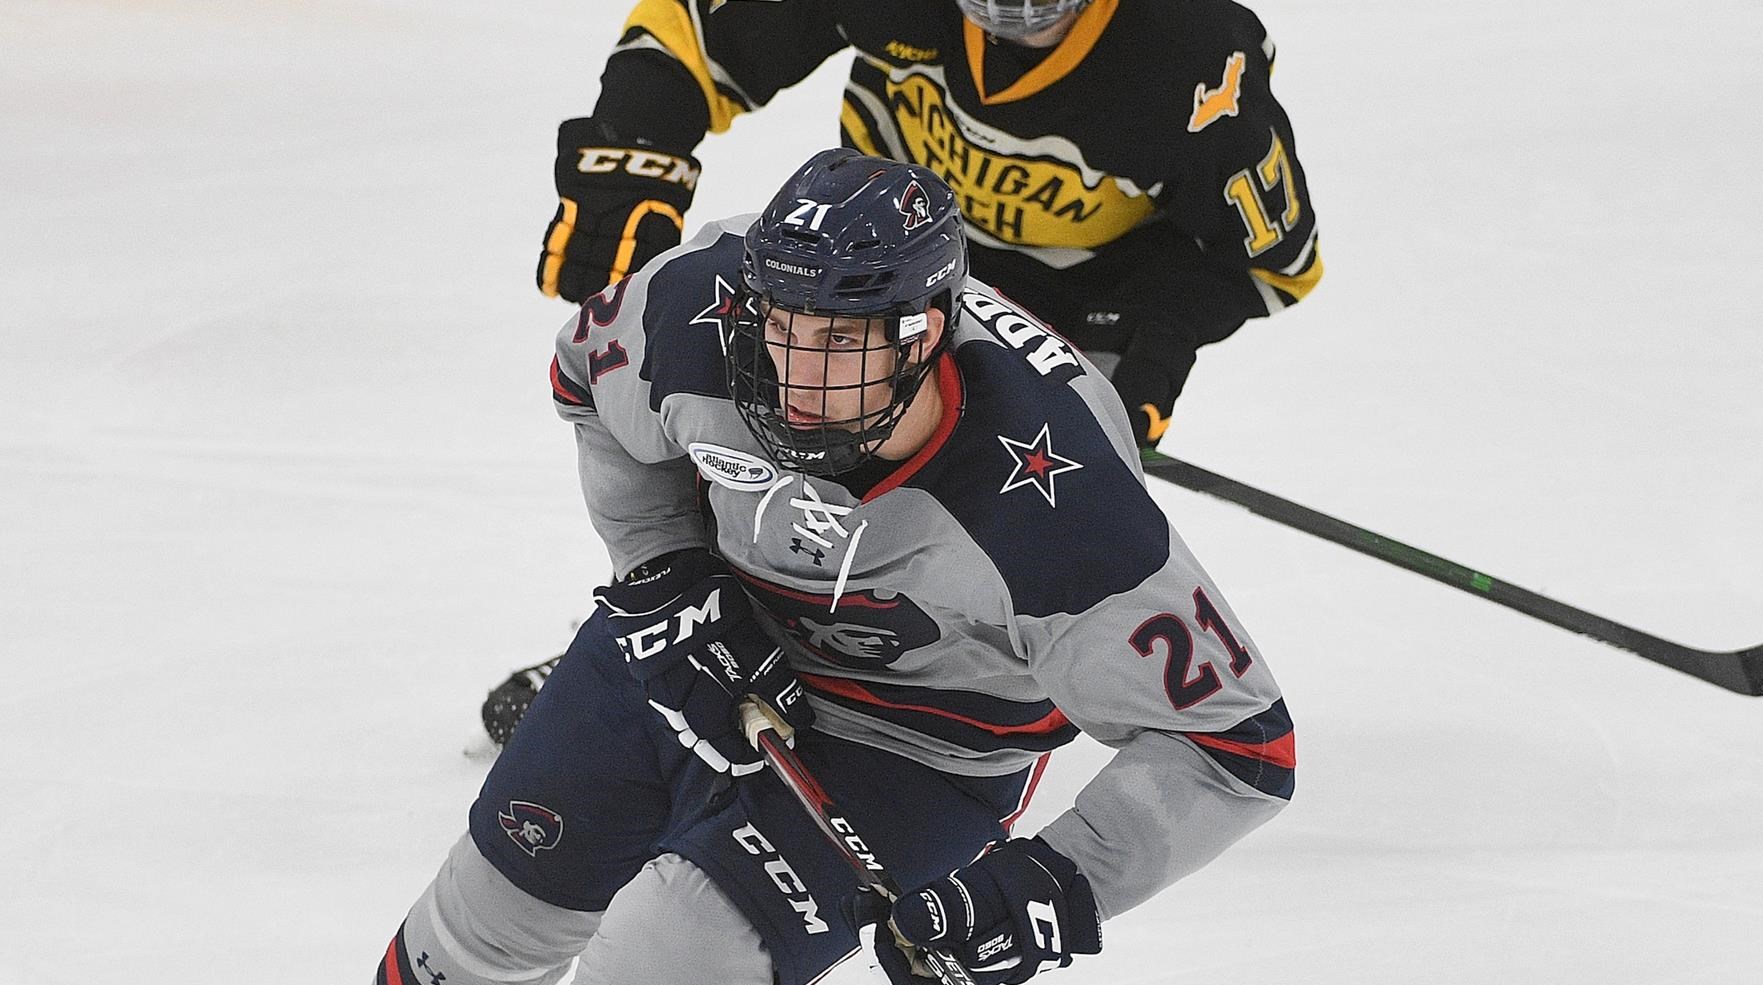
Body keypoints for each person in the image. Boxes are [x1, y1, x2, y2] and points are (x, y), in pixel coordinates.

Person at [164, 151, 1296, 985]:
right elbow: (586, 386)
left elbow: (1234, 746)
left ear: (930, 330)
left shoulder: (1065, 507)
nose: (798, 375)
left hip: (916, 745)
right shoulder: (698, 307)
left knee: (669, 956)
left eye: (843, 341)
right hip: (705, 631)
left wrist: (1053, 882)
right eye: (784, 329)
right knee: (498, 897)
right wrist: (663, 568)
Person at [480, 0, 1325, 747]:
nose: (1014, 13)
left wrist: (1146, 356)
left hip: (1066, 312)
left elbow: (1273, 261)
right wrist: (635, 148)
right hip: (865, 277)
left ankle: (933, 711)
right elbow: (701, 35)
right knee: (772, 429)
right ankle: (682, 629)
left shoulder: (1196, 57)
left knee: (995, 516)